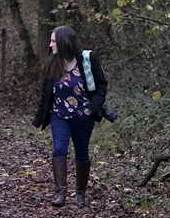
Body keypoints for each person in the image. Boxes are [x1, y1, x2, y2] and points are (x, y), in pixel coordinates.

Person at [32, 25, 108, 207]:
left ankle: (80, 193)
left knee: (82, 152)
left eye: (53, 41)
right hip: (59, 115)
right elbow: (46, 92)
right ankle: (60, 192)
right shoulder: (52, 62)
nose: (50, 45)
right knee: (59, 149)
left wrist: (92, 108)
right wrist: (40, 116)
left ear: (64, 42)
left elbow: (101, 86)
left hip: (83, 116)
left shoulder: (87, 60)